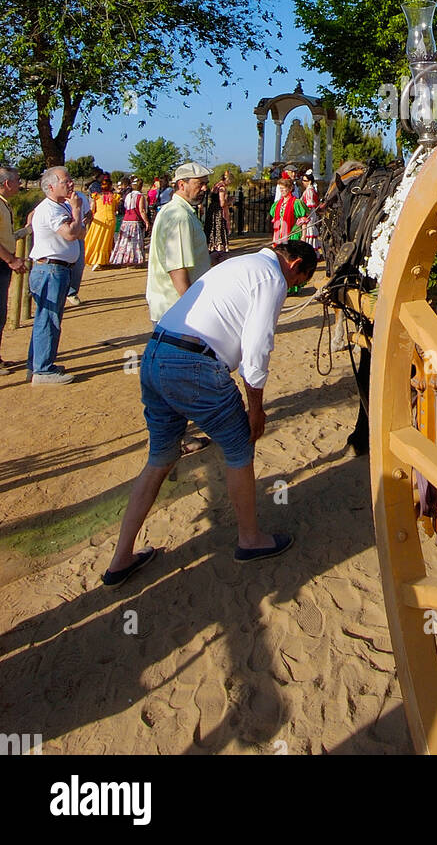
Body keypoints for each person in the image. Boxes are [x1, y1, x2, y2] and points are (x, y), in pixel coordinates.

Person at [102, 239, 317, 585]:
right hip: (194, 364)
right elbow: (257, 348)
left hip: (156, 352)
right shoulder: (273, 277)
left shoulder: (238, 264)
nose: (295, 287)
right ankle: (250, 539)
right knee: (239, 448)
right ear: (294, 266)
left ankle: (121, 558)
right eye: (300, 281)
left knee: (160, 457)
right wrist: (256, 408)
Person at [27, 166, 86, 385]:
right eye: (66, 181)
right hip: (51, 270)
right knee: (48, 320)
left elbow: (80, 231)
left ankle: (37, 365)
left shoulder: (59, 207)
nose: (71, 183)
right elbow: (72, 233)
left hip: (56, 269)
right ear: (51, 186)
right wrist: (77, 210)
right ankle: (42, 371)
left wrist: (75, 219)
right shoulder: (52, 209)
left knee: (47, 319)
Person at [146, 163, 212, 324]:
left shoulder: (175, 210)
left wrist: (210, 259)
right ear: (182, 184)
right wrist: (192, 310)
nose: (204, 189)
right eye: (200, 184)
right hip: (177, 310)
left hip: (172, 308)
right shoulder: (179, 216)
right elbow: (177, 269)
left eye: (206, 184)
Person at [0, 165, 28, 376]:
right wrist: (10, 259)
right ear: (7, 183)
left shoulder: (4, 205)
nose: (20, 184)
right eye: (17, 180)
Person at [110, 176, 149, 268]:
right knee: (135, 242)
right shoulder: (140, 196)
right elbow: (142, 210)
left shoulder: (128, 196)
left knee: (125, 242)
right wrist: (147, 221)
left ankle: (124, 259)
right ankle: (134, 261)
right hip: (135, 222)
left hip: (126, 221)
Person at [65, 183, 93, 305]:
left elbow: (88, 213)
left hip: (79, 234)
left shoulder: (80, 197)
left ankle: (72, 292)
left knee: (79, 264)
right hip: (63, 234)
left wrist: (87, 218)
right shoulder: (55, 201)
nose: (70, 185)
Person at [85, 176, 118, 271]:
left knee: (96, 239)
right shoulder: (115, 197)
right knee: (105, 240)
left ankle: (96, 259)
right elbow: (115, 209)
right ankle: (102, 260)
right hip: (110, 220)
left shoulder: (96, 197)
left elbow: (92, 209)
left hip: (99, 219)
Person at [204, 172, 231, 264]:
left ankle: (211, 246)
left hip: (211, 210)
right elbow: (222, 203)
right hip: (218, 212)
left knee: (212, 228)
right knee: (219, 229)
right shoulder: (222, 188)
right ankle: (219, 248)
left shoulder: (215, 186)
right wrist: (230, 201)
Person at [300, 171, 321, 258]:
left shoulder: (309, 191)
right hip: (311, 214)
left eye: (304, 180)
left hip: (309, 215)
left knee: (309, 230)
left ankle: (310, 253)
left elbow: (309, 205)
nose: (303, 182)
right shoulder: (311, 190)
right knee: (309, 230)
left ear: (309, 181)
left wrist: (305, 215)